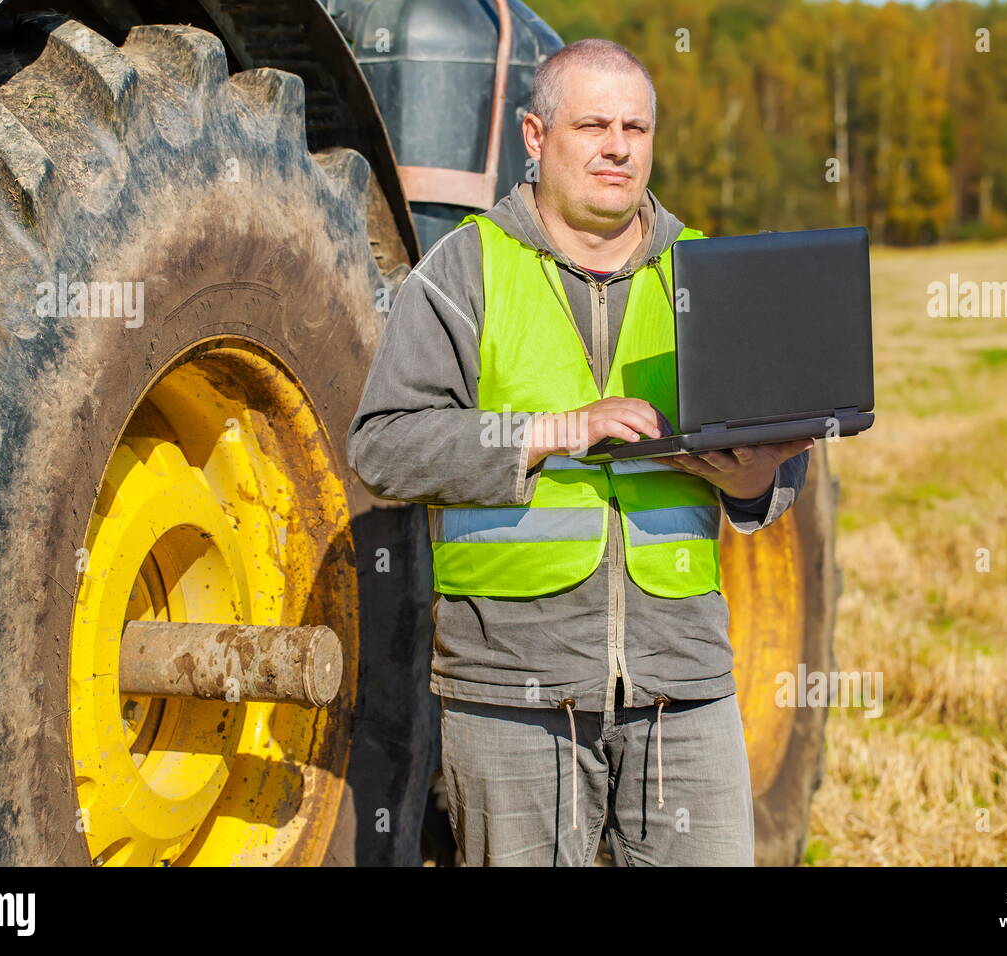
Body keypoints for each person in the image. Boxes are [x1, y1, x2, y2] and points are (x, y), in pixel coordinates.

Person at [346, 37, 812, 866]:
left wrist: (756, 479)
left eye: (636, 126)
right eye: (593, 124)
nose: (618, 146)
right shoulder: (465, 272)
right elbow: (383, 446)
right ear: (534, 137)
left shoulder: (705, 269)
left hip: (685, 688)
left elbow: (773, 456)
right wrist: (544, 432)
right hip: (513, 698)